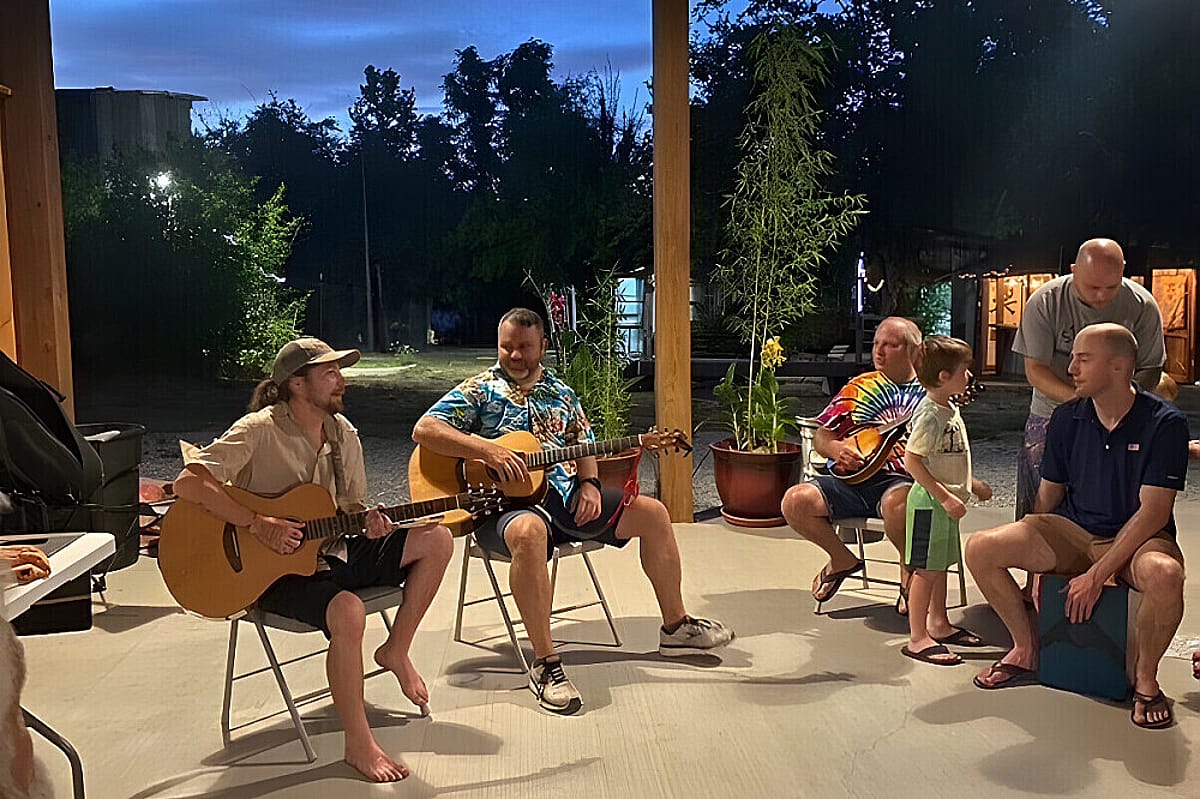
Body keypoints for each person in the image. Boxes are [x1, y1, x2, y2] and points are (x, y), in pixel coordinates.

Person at [412, 308, 733, 715]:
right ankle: (546, 664)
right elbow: (425, 429)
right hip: (501, 509)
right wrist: (488, 449)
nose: (513, 356)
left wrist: (590, 484)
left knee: (653, 514)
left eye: (524, 348)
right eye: (506, 347)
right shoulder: (479, 390)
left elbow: (586, 444)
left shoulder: (562, 393)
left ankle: (676, 628)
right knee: (530, 533)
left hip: (563, 500)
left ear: (543, 346)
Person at [173, 337, 453, 782]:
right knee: (348, 609)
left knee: (436, 539)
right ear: (297, 385)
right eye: (330, 373)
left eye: (339, 371)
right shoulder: (258, 430)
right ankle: (358, 743)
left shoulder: (344, 435)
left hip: (328, 551)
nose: (341, 381)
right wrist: (256, 522)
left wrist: (370, 523)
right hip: (266, 570)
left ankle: (396, 649)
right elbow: (189, 483)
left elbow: (352, 513)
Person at [965, 324, 1187, 729]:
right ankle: (1026, 648)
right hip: (1073, 531)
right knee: (981, 547)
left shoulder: (1164, 423)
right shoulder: (1067, 417)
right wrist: (1035, 568)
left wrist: (1096, 575)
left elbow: (1153, 513)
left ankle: (1146, 680)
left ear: (1119, 367)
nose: (1071, 368)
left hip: (1137, 537)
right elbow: (1049, 495)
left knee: (1165, 575)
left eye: (1083, 359)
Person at [1012, 238, 1164, 521]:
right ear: (1073, 270)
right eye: (1093, 287)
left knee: (1112, 498)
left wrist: (1119, 404)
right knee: (1043, 499)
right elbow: (1036, 370)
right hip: (1053, 411)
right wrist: (1084, 404)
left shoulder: (1141, 304)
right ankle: (1037, 558)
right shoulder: (1046, 301)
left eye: (1111, 287)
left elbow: (1151, 367)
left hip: (1119, 418)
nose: (1101, 296)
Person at [781, 316, 926, 614]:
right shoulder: (859, 386)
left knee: (901, 504)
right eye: (876, 344)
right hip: (850, 479)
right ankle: (842, 558)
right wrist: (837, 449)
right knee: (794, 502)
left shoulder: (928, 393)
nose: (879, 351)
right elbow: (823, 434)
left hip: (901, 481)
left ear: (914, 350)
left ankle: (907, 578)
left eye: (890, 344)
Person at [900, 336, 992, 666]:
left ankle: (937, 623)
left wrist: (971, 485)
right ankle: (917, 636)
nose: (969, 376)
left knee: (940, 564)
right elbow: (913, 461)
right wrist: (945, 496)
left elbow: (946, 458)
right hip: (929, 504)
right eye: (964, 370)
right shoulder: (930, 416)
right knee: (926, 570)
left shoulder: (947, 408)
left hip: (945, 502)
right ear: (944, 376)